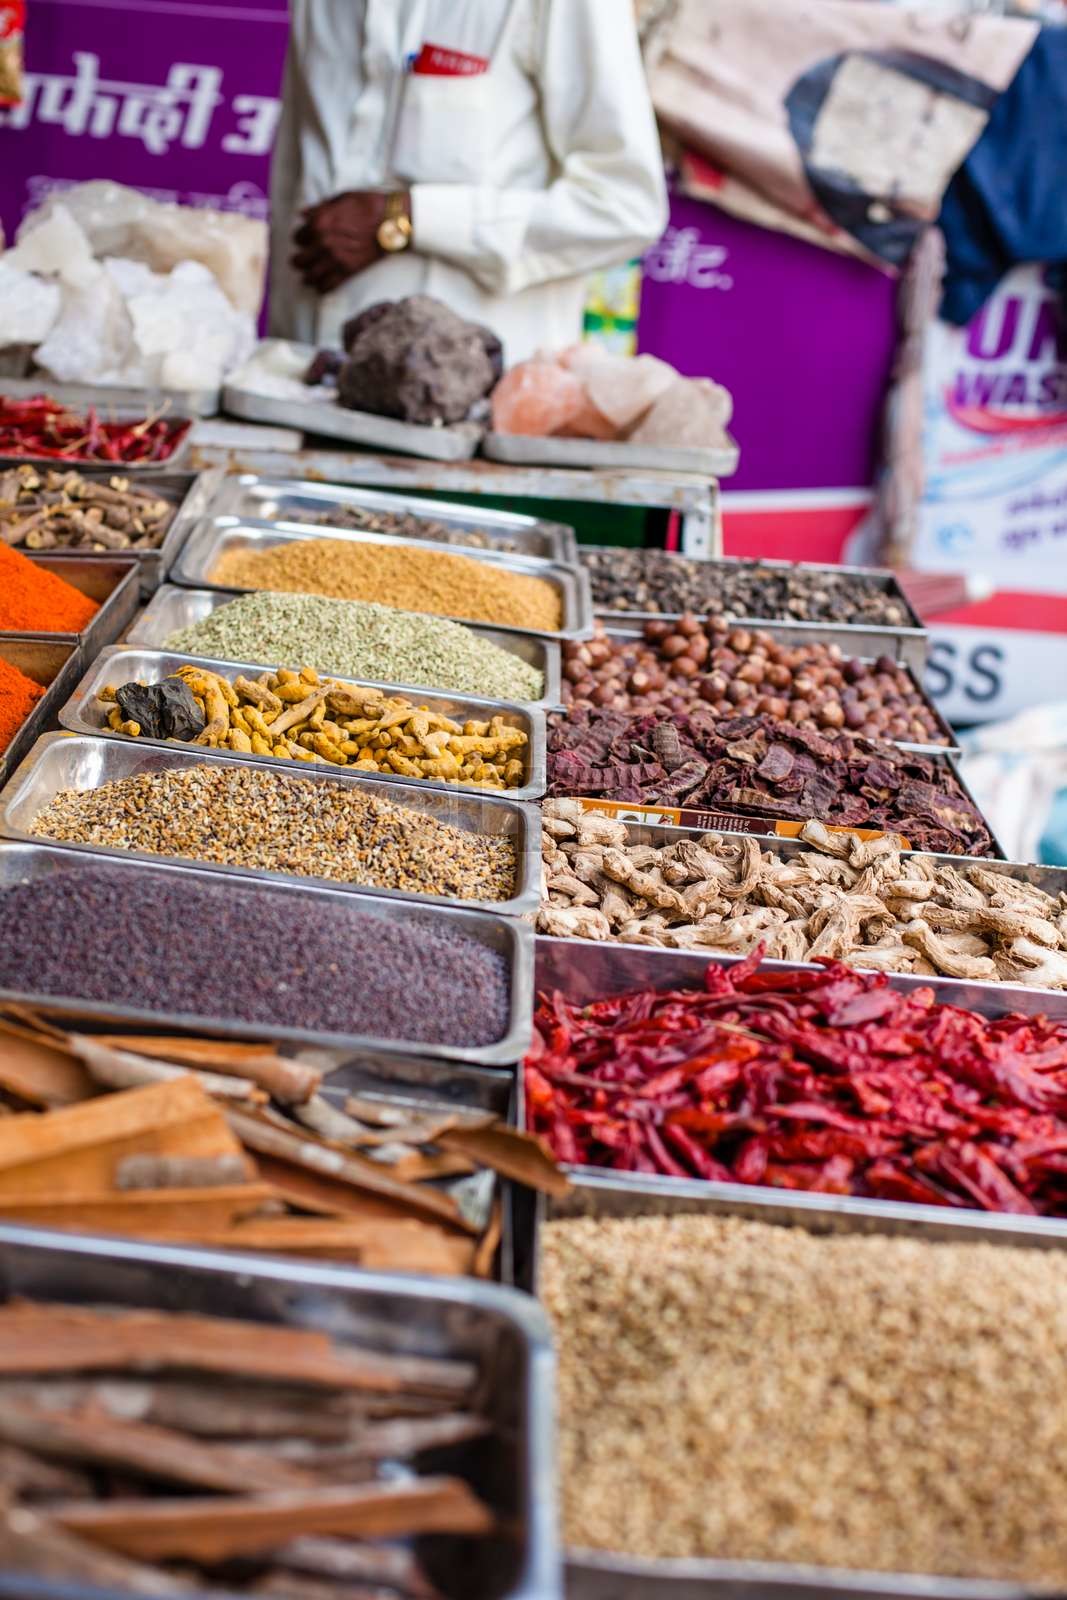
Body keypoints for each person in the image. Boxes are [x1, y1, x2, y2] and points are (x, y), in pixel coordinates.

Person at [270, 0, 668, 362]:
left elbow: (625, 206)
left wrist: (408, 219)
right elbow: (295, 175)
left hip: (475, 407)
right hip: (302, 374)